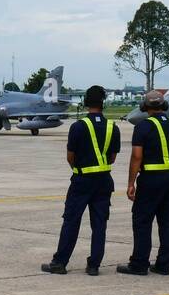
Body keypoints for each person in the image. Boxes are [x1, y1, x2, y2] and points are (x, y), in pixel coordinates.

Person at [42, 85, 120, 276]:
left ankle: (59, 262)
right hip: (104, 180)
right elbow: (112, 158)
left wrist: (79, 169)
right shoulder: (113, 127)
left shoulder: (78, 126)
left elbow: (70, 156)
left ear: (86, 102)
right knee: (99, 224)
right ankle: (94, 265)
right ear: (103, 103)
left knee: (71, 221)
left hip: (82, 180)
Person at [117, 90, 169, 276]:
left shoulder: (143, 127)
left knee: (142, 221)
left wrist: (131, 183)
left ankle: (139, 264)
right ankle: (164, 265)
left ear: (144, 107)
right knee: (166, 223)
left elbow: (137, 156)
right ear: (164, 106)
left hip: (150, 180)